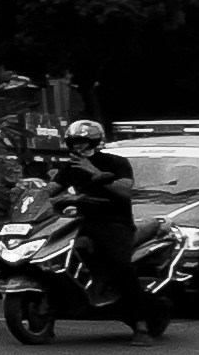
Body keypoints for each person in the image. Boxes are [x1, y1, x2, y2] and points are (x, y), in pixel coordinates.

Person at [53, 119, 160, 342]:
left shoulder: (115, 162)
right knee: (56, 251)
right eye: (73, 141)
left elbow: (125, 190)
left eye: (82, 141)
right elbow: (51, 190)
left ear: (94, 141)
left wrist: (93, 172)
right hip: (82, 222)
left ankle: (140, 324)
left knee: (120, 264)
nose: (77, 146)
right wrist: (30, 192)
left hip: (114, 222)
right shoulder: (70, 167)